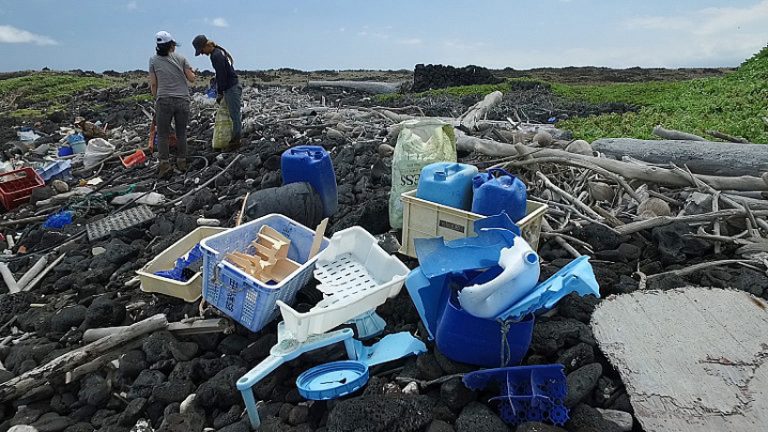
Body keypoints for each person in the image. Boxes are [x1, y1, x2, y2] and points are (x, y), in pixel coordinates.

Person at [149, 31, 196, 178]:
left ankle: (164, 165)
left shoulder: (153, 60)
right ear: (171, 45)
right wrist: (193, 72)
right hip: (182, 100)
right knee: (181, 133)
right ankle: (182, 162)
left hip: (164, 100)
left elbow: (153, 83)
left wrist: (156, 97)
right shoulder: (181, 58)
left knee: (163, 135)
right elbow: (192, 79)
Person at [192, 34, 242, 147]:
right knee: (233, 114)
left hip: (231, 87)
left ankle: (236, 141)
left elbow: (222, 75)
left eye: (201, 50)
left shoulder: (216, 55)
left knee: (234, 114)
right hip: (232, 86)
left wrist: (220, 92)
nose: (202, 53)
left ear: (206, 46)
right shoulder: (219, 52)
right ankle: (234, 138)